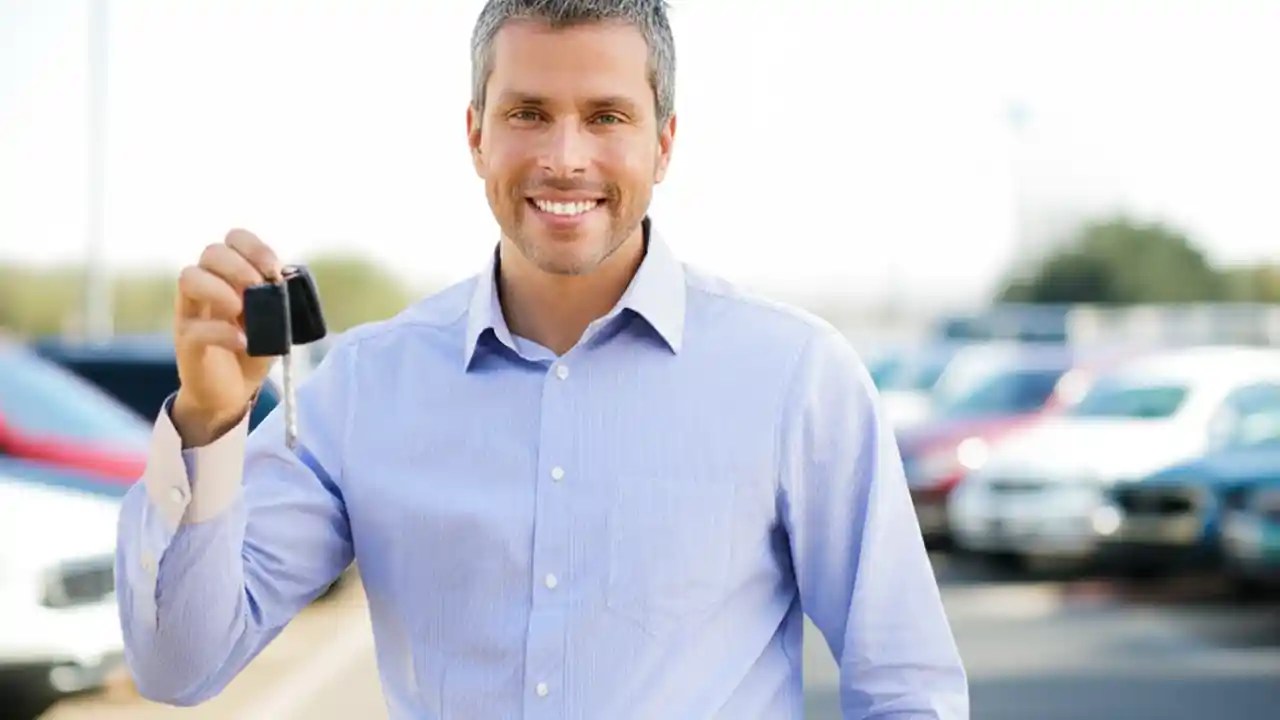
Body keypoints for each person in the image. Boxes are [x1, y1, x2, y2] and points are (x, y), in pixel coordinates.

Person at [114, 1, 968, 717]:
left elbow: (906, 686)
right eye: (528, 113)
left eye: (606, 116)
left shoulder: (797, 378)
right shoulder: (367, 389)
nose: (565, 157)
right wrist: (211, 422)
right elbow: (180, 665)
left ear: (663, 143)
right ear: (477, 135)